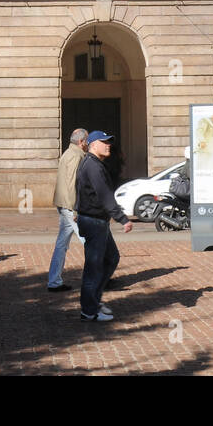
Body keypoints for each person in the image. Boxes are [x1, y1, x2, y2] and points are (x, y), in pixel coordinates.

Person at [73, 130, 132, 321]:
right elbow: (104, 195)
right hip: (93, 221)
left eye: (109, 141)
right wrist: (122, 218)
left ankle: (94, 301)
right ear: (92, 144)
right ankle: (89, 311)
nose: (108, 145)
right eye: (104, 141)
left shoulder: (94, 164)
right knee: (94, 267)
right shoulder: (93, 166)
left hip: (97, 220)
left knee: (111, 258)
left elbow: (84, 189)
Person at [47, 128, 88, 293]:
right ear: (81, 141)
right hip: (71, 207)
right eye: (87, 140)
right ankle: (99, 279)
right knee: (90, 242)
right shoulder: (76, 156)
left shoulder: (68, 153)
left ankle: (54, 281)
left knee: (61, 245)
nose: (88, 144)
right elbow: (73, 184)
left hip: (64, 205)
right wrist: (76, 209)